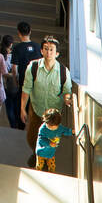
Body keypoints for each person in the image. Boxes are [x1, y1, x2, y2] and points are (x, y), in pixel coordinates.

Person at [20, 36, 73, 167]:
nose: (48, 52)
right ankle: (35, 152)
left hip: (53, 115)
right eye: (46, 49)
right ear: (41, 51)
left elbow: (67, 90)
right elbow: (26, 89)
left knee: (50, 140)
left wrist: (67, 99)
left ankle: (44, 161)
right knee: (32, 137)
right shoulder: (33, 67)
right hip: (36, 109)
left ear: (57, 53)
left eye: (51, 50)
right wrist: (22, 108)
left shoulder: (63, 71)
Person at [9, 23, 42, 129]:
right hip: (37, 83)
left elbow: (14, 68)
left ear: (18, 32)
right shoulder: (38, 47)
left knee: (22, 108)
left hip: (24, 83)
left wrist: (15, 81)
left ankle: (21, 129)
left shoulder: (17, 48)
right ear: (30, 31)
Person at [34, 107, 74, 172]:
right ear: (45, 122)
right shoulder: (42, 129)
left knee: (52, 166)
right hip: (41, 151)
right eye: (49, 126)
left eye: (54, 127)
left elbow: (65, 131)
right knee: (39, 166)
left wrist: (71, 132)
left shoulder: (60, 128)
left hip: (51, 152)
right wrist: (49, 143)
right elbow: (41, 139)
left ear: (58, 124)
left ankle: (51, 174)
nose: (52, 128)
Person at [0, 34, 21, 127]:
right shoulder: (14, 55)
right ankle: (17, 123)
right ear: (11, 44)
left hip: (5, 85)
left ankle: (12, 124)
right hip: (15, 83)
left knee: (9, 106)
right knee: (16, 105)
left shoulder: (1, 56)